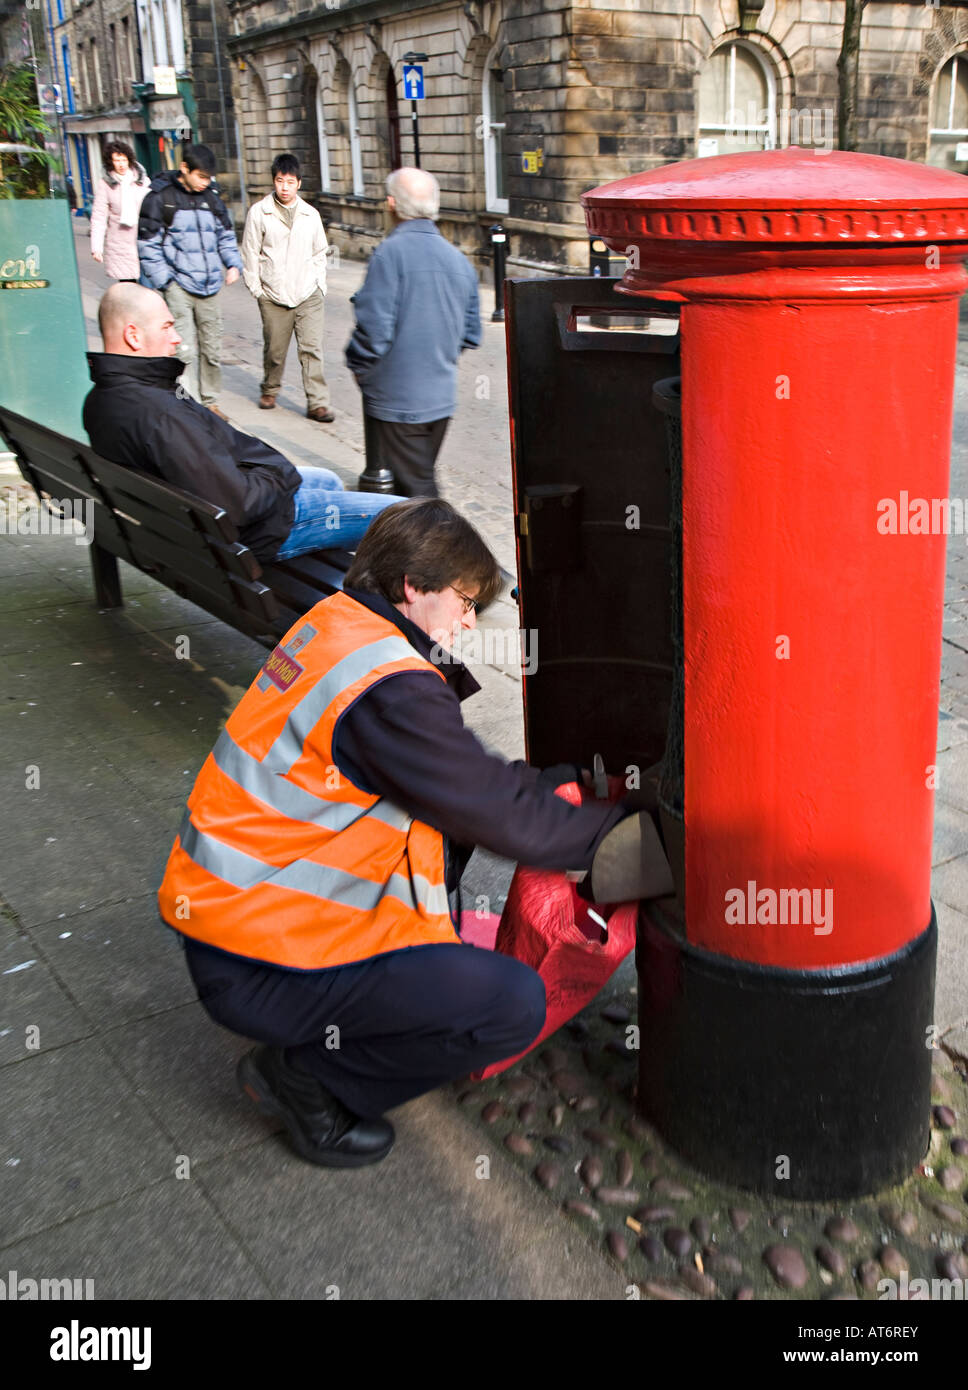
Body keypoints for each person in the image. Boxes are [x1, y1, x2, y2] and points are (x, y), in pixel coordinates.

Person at [157, 498, 674, 1168]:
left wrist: (549, 786)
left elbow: (448, 781)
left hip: (234, 925)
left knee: (452, 869)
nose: (467, 621)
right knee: (509, 1006)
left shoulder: (338, 627)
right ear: (414, 587)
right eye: (464, 601)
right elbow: (486, 806)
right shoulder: (388, 686)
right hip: (263, 963)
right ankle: (308, 1081)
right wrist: (621, 842)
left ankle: (359, 1010)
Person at [83, 284, 403, 561]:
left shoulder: (101, 399)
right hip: (254, 534)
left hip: (188, 528)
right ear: (133, 336)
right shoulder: (159, 413)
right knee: (406, 518)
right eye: (167, 327)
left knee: (327, 480)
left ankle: (327, 576)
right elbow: (237, 504)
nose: (177, 338)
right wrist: (279, 472)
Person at [345, 167, 481, 497]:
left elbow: (374, 332)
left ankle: (447, 548)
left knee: (420, 497)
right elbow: (471, 333)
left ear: (391, 204)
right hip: (440, 400)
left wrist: (360, 368)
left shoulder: (389, 254)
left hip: (399, 400)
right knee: (413, 491)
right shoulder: (459, 260)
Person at [137, 143, 243, 420]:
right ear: (185, 169)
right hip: (179, 286)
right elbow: (148, 246)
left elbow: (226, 235)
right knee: (182, 350)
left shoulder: (211, 198)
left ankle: (210, 403)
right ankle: (184, 404)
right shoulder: (161, 198)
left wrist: (233, 263)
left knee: (212, 349)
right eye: (201, 177)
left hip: (210, 286)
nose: (205, 183)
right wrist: (166, 283)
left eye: (209, 178)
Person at [241, 152, 334, 423]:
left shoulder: (310, 214)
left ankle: (317, 403)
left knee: (311, 349)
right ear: (274, 181)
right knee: (275, 351)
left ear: (299, 184)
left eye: (290, 182)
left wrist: (320, 285)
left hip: (308, 293)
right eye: (280, 181)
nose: (285, 187)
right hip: (273, 294)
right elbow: (250, 252)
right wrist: (256, 289)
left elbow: (320, 252)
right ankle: (270, 389)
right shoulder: (259, 212)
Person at [90, 140, 149, 282]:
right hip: (119, 243)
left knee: (148, 288)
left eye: (124, 159)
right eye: (117, 160)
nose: (121, 164)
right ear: (111, 162)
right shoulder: (105, 184)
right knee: (128, 288)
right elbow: (99, 217)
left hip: (142, 238)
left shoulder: (143, 181)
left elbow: (153, 209)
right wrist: (96, 247)